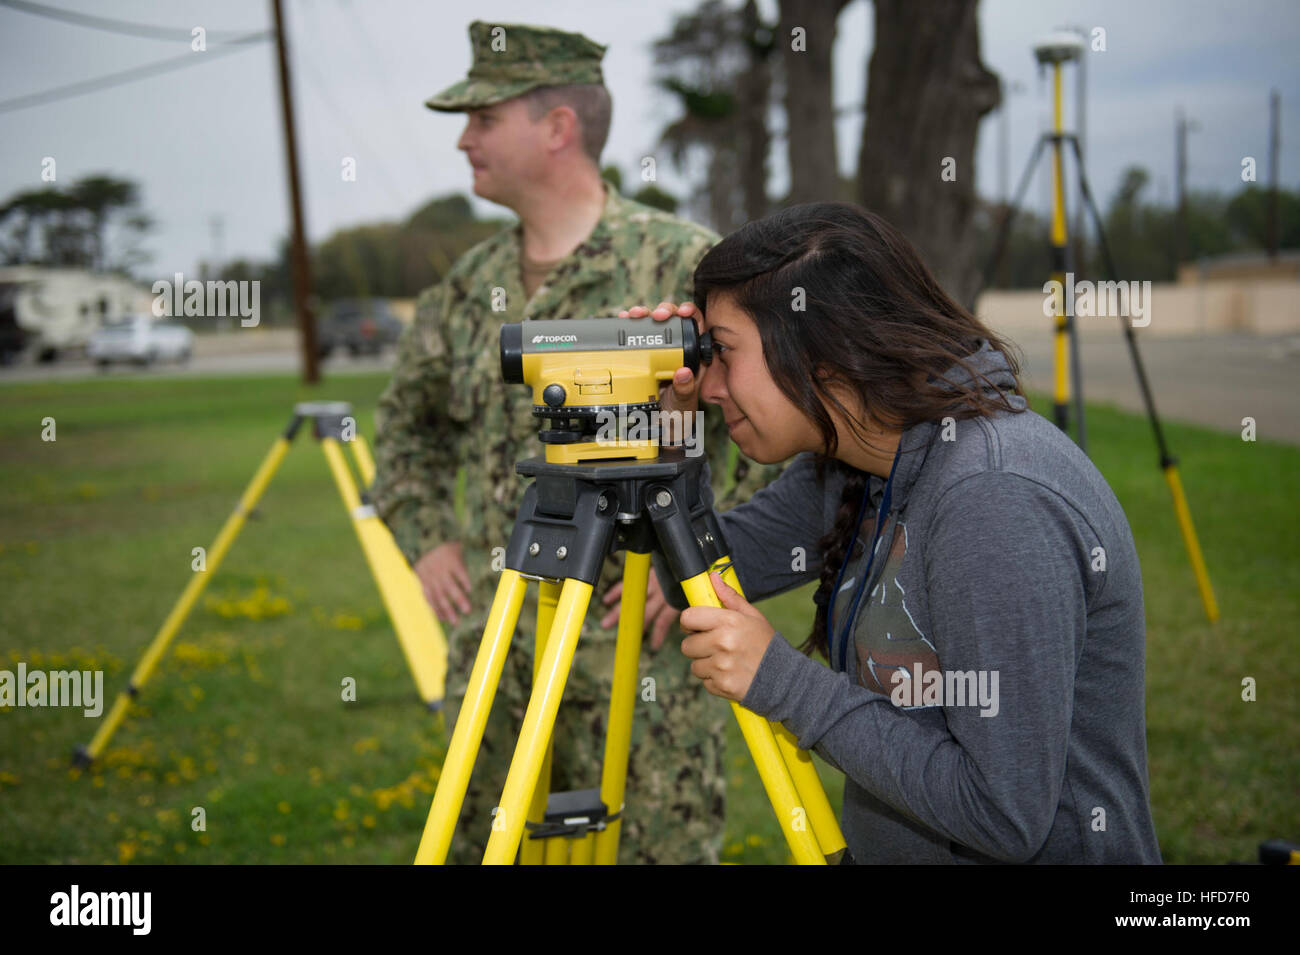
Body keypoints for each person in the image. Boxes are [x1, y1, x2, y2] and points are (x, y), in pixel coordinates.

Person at [619, 201, 1163, 863]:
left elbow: (1004, 814)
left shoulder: (993, 497)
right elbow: (698, 572)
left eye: (723, 352)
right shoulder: (857, 464)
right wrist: (669, 427)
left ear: (823, 351)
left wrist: (781, 681)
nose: (707, 385)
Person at [368, 21, 782, 864]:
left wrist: (704, 560)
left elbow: (773, 431)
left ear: (556, 126)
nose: (463, 139)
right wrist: (425, 537)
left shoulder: (686, 269)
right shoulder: (463, 290)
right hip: (498, 656)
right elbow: (403, 428)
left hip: (640, 668)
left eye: (483, 118)